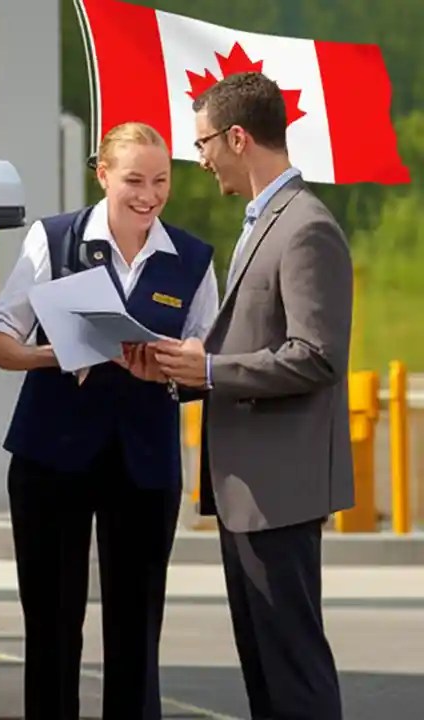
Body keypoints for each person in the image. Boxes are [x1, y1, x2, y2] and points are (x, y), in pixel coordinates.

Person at [0, 121, 219, 720]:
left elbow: (207, 365)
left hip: (143, 461)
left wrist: (165, 365)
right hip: (51, 455)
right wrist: (53, 354)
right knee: (53, 624)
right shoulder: (54, 240)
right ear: (102, 174)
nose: (148, 194)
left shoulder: (192, 259)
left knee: (137, 628)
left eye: (161, 180)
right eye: (134, 179)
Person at [147, 70, 351, 720]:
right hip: (249, 493)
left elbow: (315, 356)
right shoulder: (264, 222)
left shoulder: (305, 228)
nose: (200, 158)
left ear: (238, 137)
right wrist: (183, 368)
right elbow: (253, 340)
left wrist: (209, 371)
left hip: (278, 492)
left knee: (293, 672)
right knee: (265, 673)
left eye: (204, 142)